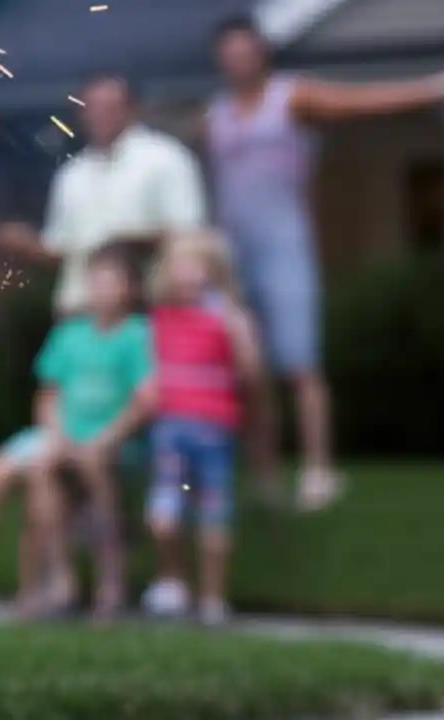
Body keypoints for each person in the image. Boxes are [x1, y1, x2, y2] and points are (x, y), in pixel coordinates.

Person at [207, 17, 444, 510]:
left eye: (246, 50)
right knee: (250, 369)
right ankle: (265, 475)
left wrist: (437, 87)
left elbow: (361, 104)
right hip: (232, 254)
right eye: (230, 52)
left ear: (262, 54)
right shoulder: (217, 114)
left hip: (285, 244)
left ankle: (320, 471)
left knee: (300, 363)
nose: (239, 59)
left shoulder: (292, 97)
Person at [0, 247, 153, 624]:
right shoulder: (70, 334)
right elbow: (48, 395)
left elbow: (145, 400)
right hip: (59, 434)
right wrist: (57, 433)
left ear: (132, 289)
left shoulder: (138, 336)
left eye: (112, 281)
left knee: (53, 468)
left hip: (110, 441)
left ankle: (85, 582)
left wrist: (105, 439)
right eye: (97, 280)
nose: (102, 289)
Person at [0, 73, 207, 317]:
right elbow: (62, 249)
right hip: (81, 310)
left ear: (132, 109)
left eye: (109, 107)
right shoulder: (72, 174)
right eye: (92, 108)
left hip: (146, 311)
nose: (99, 115)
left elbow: (188, 235)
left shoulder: (165, 159)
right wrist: (28, 244)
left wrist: (125, 244)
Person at [141, 231, 264, 626]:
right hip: (169, 433)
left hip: (213, 431)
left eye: (197, 266)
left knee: (213, 515)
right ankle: (174, 582)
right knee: (164, 516)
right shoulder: (161, 317)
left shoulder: (226, 317)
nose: (188, 275)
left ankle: (213, 599)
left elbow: (250, 374)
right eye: (180, 265)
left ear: (215, 273)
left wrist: (237, 330)